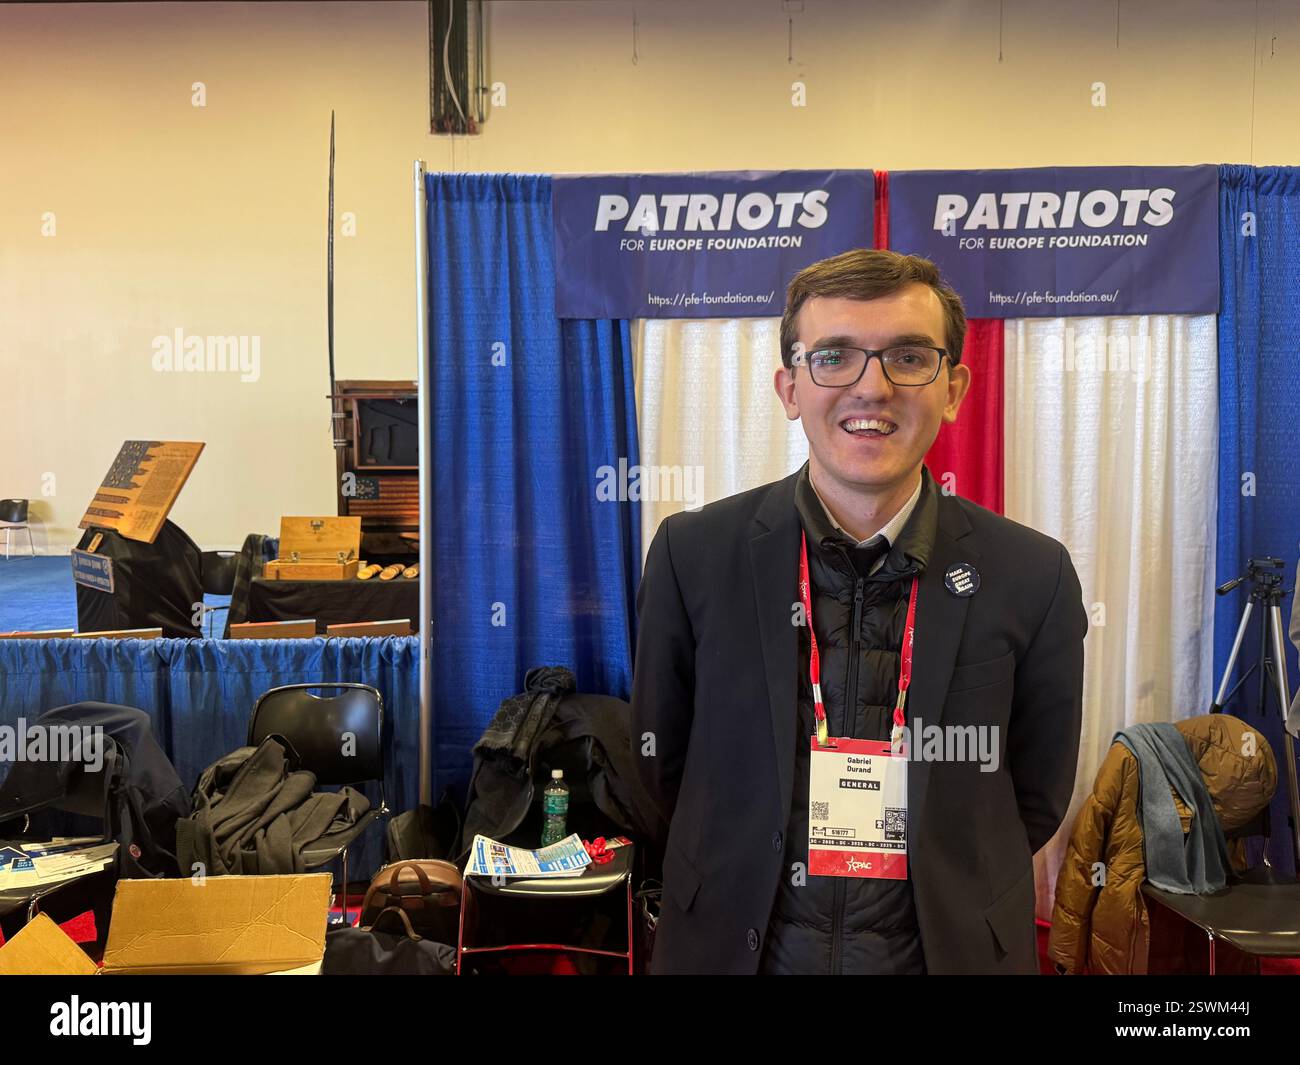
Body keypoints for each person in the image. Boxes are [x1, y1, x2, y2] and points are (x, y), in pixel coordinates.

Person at [630, 248, 1087, 974]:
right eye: (834, 356)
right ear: (789, 386)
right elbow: (662, 771)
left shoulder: (1033, 575)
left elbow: (1035, 793)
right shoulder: (694, 556)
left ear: (954, 387)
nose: (871, 388)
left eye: (908, 356)